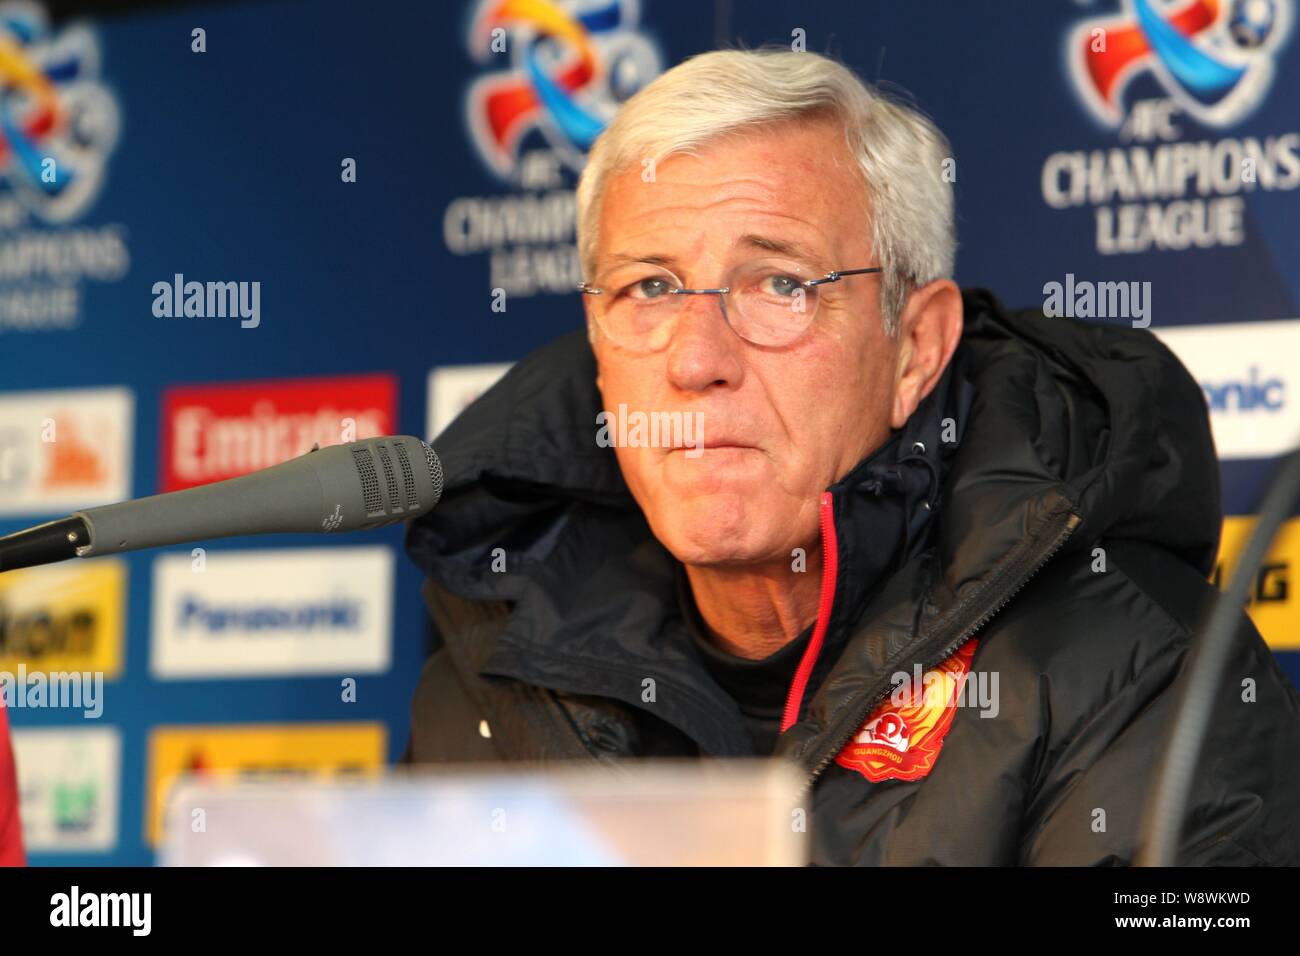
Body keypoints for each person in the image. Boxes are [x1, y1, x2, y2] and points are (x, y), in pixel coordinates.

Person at [403, 49, 1300, 865]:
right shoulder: (482, 695)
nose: (694, 360)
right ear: (598, 342)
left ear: (914, 349)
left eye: (780, 284)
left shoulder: (1142, 670)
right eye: (650, 288)